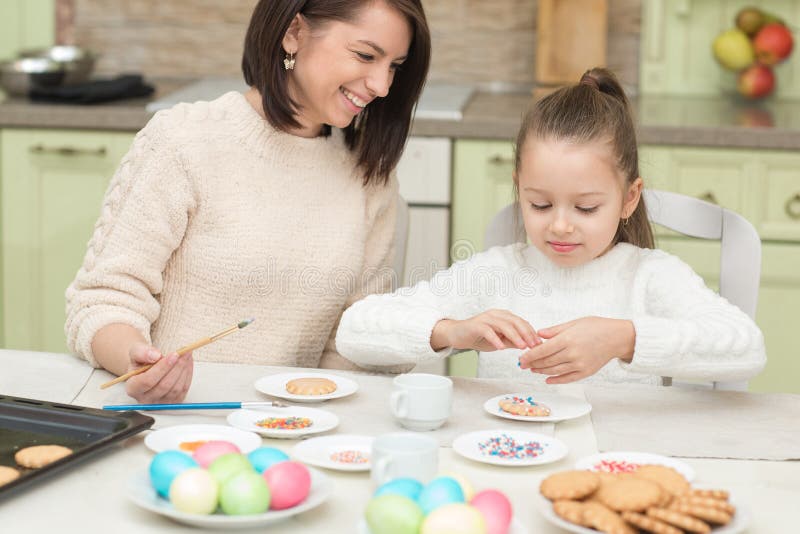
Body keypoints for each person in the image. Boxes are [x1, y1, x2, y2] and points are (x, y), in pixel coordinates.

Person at [65, 0, 431, 403]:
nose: (382, 85)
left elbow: (356, 340)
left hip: (292, 428)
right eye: (365, 55)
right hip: (170, 421)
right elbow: (102, 300)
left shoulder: (368, 174)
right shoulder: (183, 141)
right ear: (294, 34)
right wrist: (136, 361)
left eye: (395, 66)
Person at [336, 68, 766, 386]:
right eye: (539, 204)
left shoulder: (650, 277)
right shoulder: (497, 273)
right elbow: (355, 332)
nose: (560, 225)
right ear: (518, 189)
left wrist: (625, 338)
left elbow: (746, 346)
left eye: (586, 208)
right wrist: (451, 331)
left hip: (620, 471)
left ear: (629, 199)